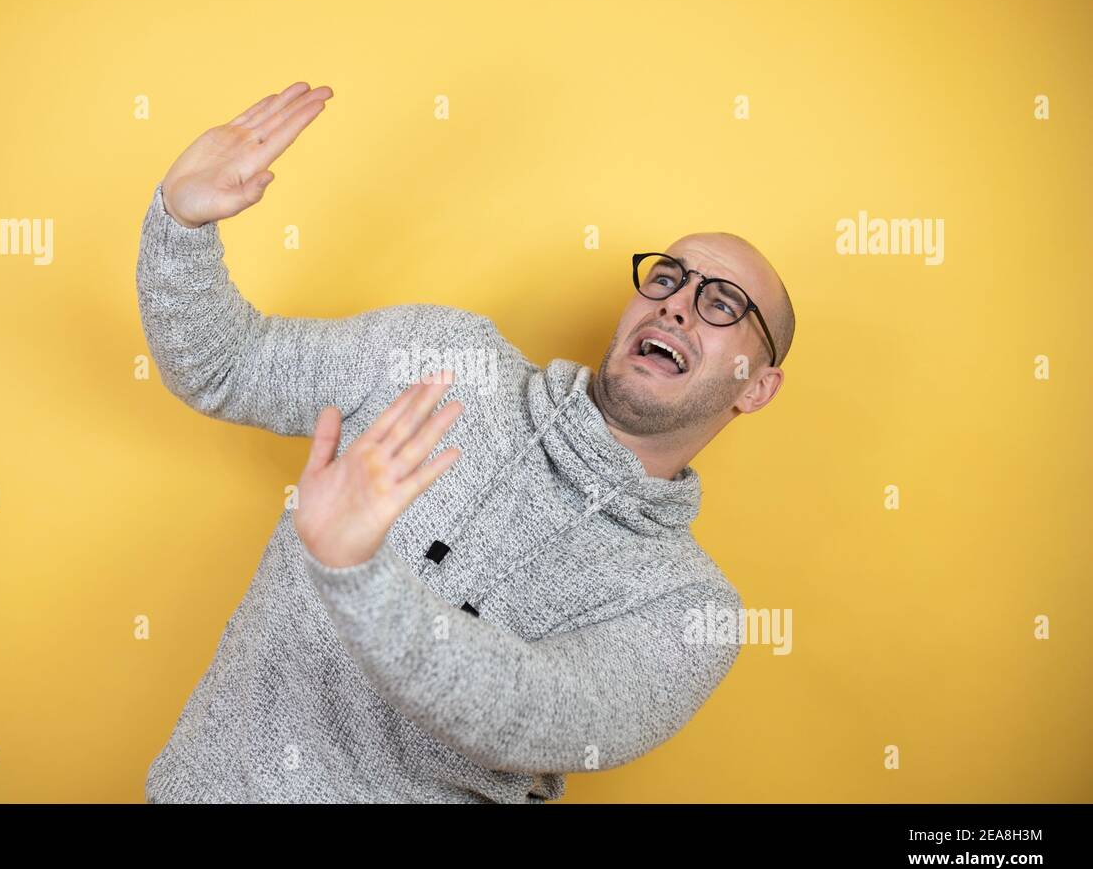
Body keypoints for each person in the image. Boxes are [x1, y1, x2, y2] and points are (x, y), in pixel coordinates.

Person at [136, 81, 795, 803]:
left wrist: (360, 576)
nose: (675, 301)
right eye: (667, 277)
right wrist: (181, 226)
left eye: (722, 302)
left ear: (755, 387)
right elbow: (225, 366)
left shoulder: (689, 608)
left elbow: (537, 715)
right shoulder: (444, 357)